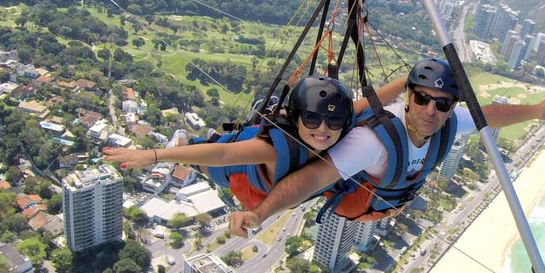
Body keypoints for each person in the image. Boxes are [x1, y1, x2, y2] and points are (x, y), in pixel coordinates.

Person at [228, 58, 545, 236]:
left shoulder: (448, 121)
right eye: (422, 98)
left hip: (389, 203)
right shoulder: (372, 142)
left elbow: (488, 115)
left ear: (451, 108)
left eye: (442, 104)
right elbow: (313, 178)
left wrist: (536, 111)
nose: (430, 110)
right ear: (408, 96)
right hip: (357, 206)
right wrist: (259, 214)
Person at [103, 75, 405, 209]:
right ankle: (182, 146)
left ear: (342, 120)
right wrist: (155, 155)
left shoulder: (342, 124)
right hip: (233, 167)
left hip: (252, 182)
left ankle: (192, 144)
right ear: (297, 118)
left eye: (333, 121)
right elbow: (222, 154)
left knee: (222, 142)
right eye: (312, 120)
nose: (323, 130)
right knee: (205, 154)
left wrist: (413, 80)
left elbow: (376, 99)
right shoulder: (274, 148)